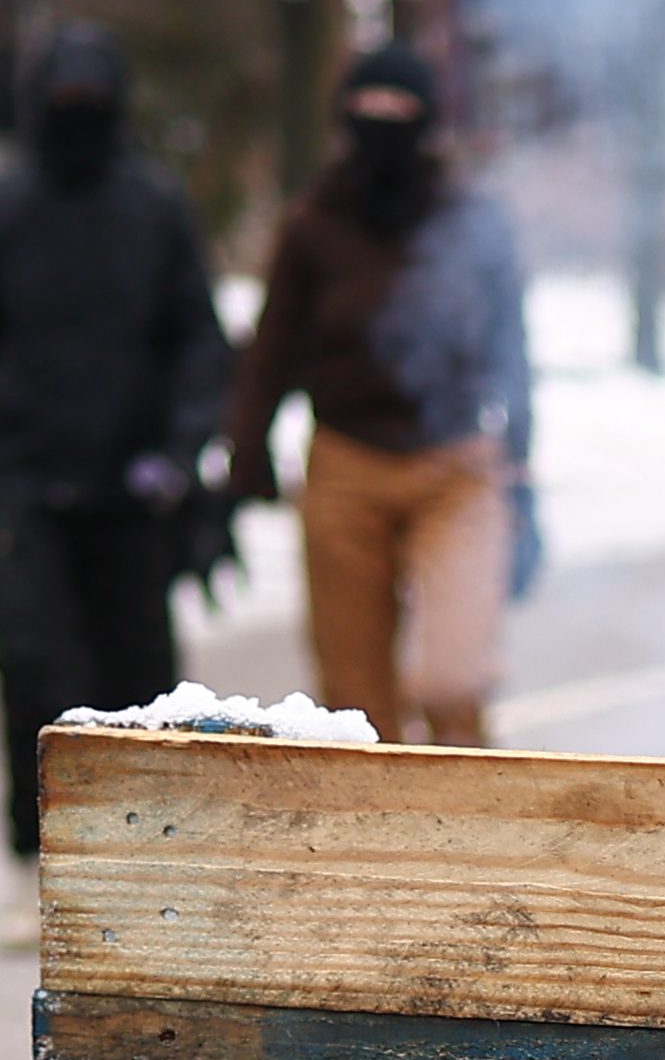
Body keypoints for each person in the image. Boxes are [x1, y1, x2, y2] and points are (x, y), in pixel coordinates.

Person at [0, 20, 232, 929]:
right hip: (26, 483)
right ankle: (35, 864)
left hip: (132, 494)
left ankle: (149, 866)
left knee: (142, 682)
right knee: (34, 677)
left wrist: (180, 452)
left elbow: (199, 343)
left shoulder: (155, 210)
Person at [222, 40, 532, 744]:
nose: (383, 123)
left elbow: (513, 350)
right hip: (346, 468)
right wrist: (245, 455)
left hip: (455, 468)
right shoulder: (312, 226)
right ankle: (375, 851)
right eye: (369, 108)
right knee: (354, 709)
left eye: (400, 109)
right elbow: (270, 350)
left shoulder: (472, 222)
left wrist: (521, 476)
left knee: (454, 680)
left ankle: (472, 843)